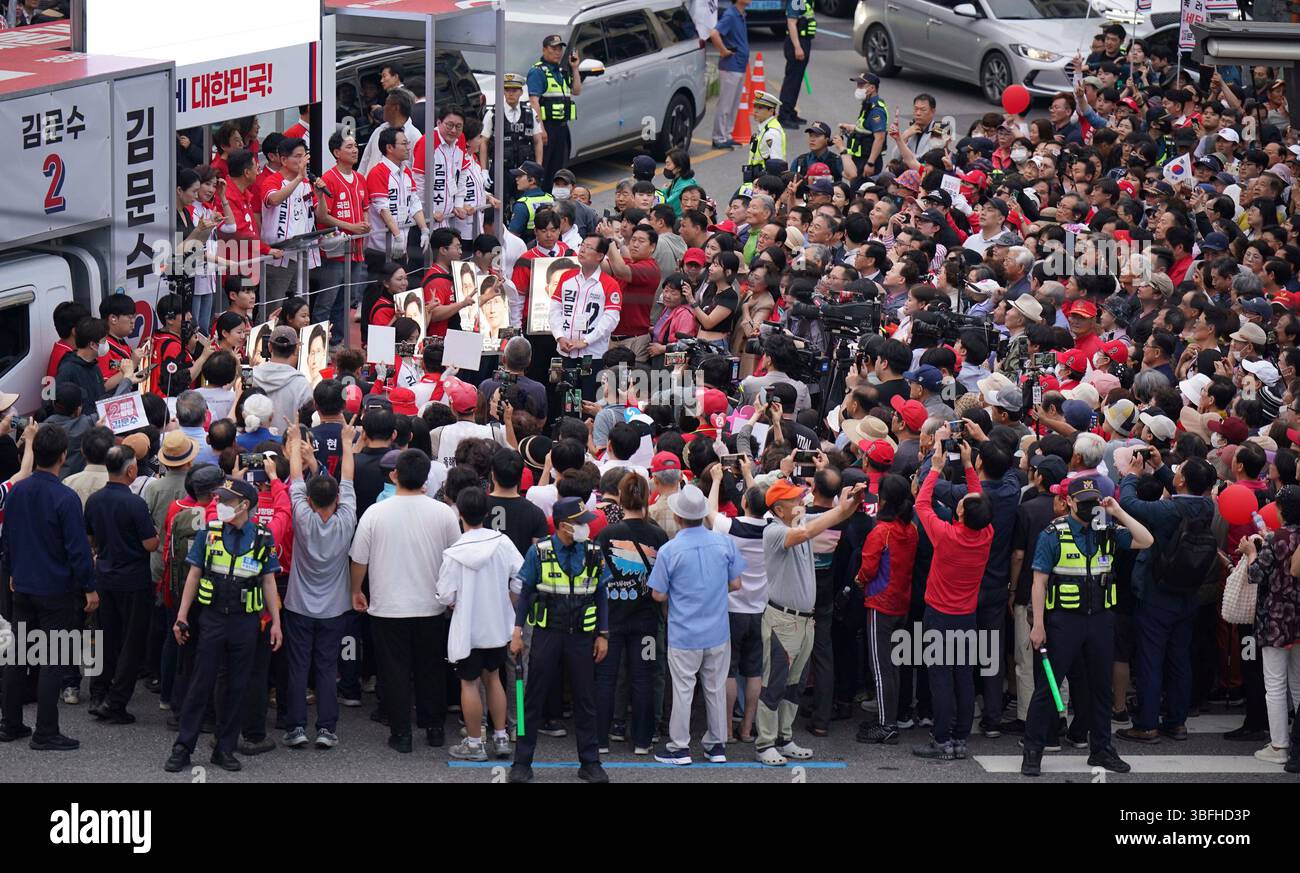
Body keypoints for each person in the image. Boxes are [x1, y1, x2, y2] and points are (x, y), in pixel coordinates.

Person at [1021, 478, 1153, 777]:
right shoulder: (1052, 534)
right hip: (1063, 622)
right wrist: (1038, 624)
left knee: (1100, 689)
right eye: (1084, 500)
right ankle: (1033, 749)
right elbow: (1038, 582)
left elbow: (1146, 540)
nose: (1091, 505)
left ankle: (1102, 749)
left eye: (1095, 499)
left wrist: (1118, 512)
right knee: (1047, 688)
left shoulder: (1106, 530)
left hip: (1100, 620)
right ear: (1069, 502)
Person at [165, 477, 282, 773]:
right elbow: (193, 575)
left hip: (246, 622)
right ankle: (183, 747)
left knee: (237, 686)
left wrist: (276, 623)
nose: (219, 504)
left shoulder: (262, 537)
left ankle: (224, 748)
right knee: (200, 683)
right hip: (213, 618)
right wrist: (182, 615)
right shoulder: (211, 532)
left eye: (226, 501)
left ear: (244, 506)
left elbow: (269, 581)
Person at [349, 449, 461, 753]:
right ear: (425, 477)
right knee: (431, 667)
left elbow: (359, 559)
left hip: (387, 606)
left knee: (394, 671)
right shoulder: (443, 513)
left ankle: (401, 733)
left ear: (393, 474)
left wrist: (356, 589)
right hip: (431, 604)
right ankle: (434, 728)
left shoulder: (375, 512)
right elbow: (455, 559)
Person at [755, 477, 865, 765]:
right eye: (794, 499)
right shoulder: (775, 532)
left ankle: (784, 737)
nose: (800, 501)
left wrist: (850, 501)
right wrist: (842, 508)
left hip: (803, 620)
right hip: (782, 620)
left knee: (794, 685)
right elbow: (823, 522)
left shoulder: (796, 522)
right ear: (779, 509)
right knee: (774, 684)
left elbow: (838, 515)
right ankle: (766, 742)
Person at [0, 425, 97, 750]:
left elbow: (9, 537)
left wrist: (12, 570)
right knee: (53, 659)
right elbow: (77, 549)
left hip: (23, 583)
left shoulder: (16, 492)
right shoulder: (65, 498)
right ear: (62, 456)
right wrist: (89, 587)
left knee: (19, 654)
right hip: (55, 588)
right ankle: (46, 730)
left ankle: (10, 722)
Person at [508, 496, 610, 784]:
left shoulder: (592, 551)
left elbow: (601, 594)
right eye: (580, 524)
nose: (586, 528)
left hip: (581, 636)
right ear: (564, 526)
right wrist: (517, 632)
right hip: (546, 634)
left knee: (585, 700)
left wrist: (603, 634)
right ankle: (522, 762)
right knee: (532, 699)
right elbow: (525, 593)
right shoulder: (538, 552)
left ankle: (590, 762)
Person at [911, 428, 994, 761]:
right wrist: (971, 468)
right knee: (962, 676)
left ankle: (941, 738)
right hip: (966, 616)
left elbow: (920, 502)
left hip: (939, 616)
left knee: (941, 679)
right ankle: (960, 738)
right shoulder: (985, 533)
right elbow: (979, 499)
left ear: (960, 513)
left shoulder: (947, 536)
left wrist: (934, 468)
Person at [281, 423, 358, 750]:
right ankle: (327, 729)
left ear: (309, 500)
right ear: (338, 499)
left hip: (298, 604)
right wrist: (346, 443)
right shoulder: (347, 518)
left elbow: (296, 477)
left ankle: (296, 727)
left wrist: (296, 438)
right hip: (334, 608)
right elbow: (349, 478)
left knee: (298, 667)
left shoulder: (301, 514)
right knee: (327, 667)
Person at [437, 486, 524, 762]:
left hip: (468, 629)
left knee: (469, 683)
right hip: (498, 626)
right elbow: (522, 579)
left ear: (459, 513)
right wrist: (506, 600)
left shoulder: (454, 552)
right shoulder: (503, 543)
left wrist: (454, 601)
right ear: (487, 513)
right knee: (494, 678)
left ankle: (475, 743)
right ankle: (500, 737)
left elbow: (444, 595)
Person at [84, 445, 159, 724]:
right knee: (132, 641)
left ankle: (97, 693)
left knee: (104, 637)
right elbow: (150, 543)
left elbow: (90, 539)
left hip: (104, 576)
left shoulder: (94, 500)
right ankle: (116, 702)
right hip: (133, 581)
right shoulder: (135, 504)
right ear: (131, 470)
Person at [595, 472, 668, 755]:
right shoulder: (658, 535)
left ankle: (600, 739)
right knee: (643, 678)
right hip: (646, 619)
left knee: (606, 679)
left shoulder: (607, 534)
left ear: (620, 498)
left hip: (610, 619)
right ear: (647, 498)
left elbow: (597, 577)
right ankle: (642, 739)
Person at [855, 473, 919, 744]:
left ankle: (886, 724)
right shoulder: (911, 529)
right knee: (892, 666)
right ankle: (889, 717)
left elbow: (867, 570)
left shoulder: (880, 532)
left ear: (881, 500)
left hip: (879, 604)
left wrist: (858, 581)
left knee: (880, 668)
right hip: (901, 602)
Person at [314, 131, 371, 347]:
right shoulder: (328, 178)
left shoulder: (360, 178)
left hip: (356, 250)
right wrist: (352, 228)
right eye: (349, 147)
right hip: (334, 251)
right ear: (336, 152)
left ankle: (337, 342)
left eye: (356, 145)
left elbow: (365, 208)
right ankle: (318, 346)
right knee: (326, 301)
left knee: (347, 300)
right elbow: (322, 215)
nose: (355, 150)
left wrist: (364, 224)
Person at [527, 34, 584, 188]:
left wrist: (575, 68)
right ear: (544, 49)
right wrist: (541, 129)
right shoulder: (538, 71)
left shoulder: (560, 71)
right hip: (548, 127)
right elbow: (534, 101)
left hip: (562, 128)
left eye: (560, 48)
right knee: (544, 168)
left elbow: (577, 90)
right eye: (554, 48)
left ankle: (553, 201)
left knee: (558, 170)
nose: (558, 52)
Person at [482, 73, 543, 206]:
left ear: (521, 92)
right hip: (500, 170)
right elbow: (484, 142)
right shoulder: (492, 113)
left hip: (524, 171)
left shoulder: (530, 113)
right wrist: (484, 170)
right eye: (507, 90)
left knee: (523, 204)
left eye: (514, 90)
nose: (511, 94)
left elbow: (538, 141)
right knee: (499, 206)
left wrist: (538, 166)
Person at [251, 326, 313, 434]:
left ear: (269, 347)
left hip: (253, 446)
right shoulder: (302, 383)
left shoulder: (250, 376)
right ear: (295, 350)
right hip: (289, 445)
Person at [777, 0, 816, 129]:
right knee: (792, 81)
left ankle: (790, 111)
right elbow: (791, 23)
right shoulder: (796, 1)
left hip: (804, 41)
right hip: (797, 43)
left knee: (797, 80)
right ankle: (784, 116)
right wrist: (798, 47)